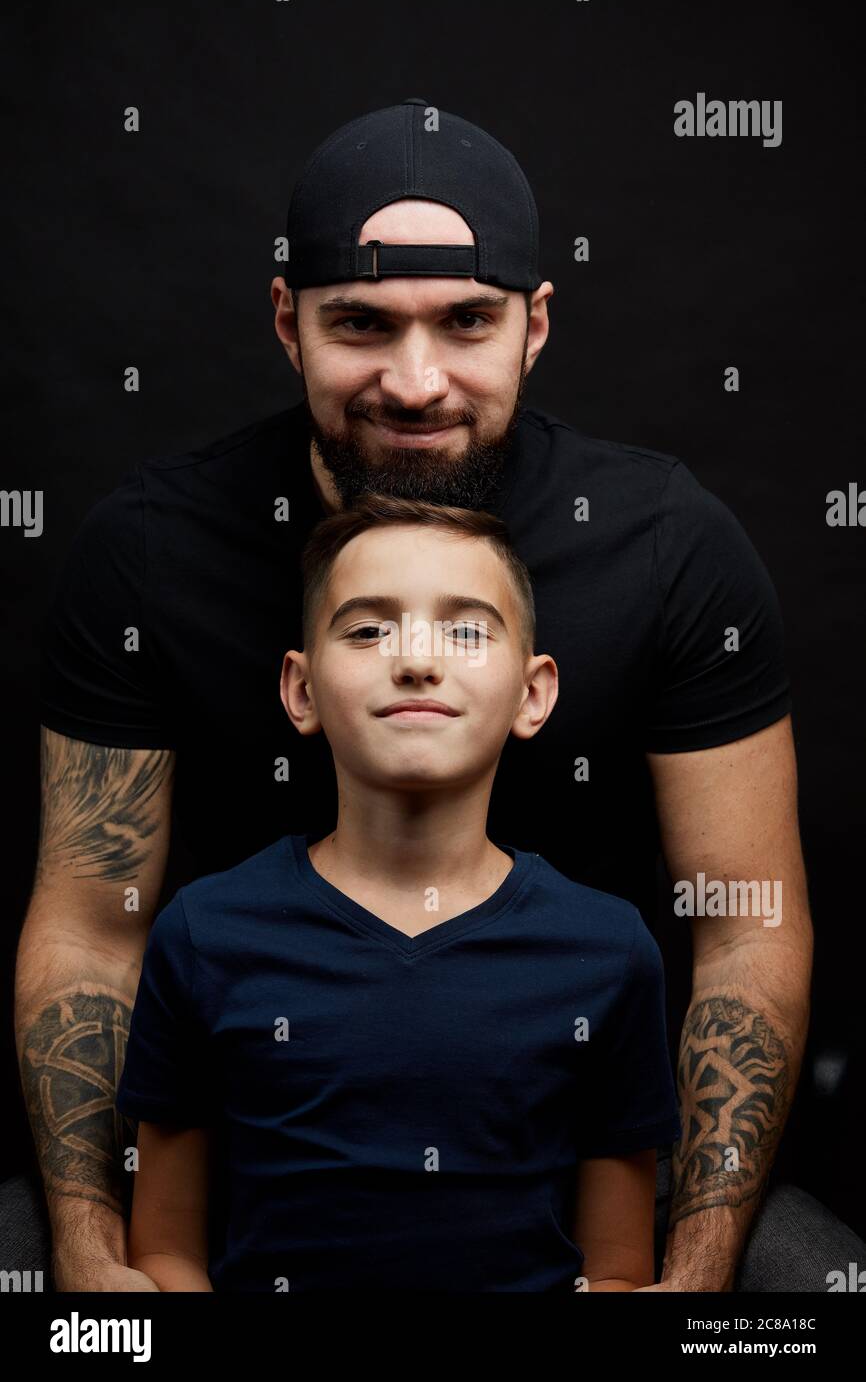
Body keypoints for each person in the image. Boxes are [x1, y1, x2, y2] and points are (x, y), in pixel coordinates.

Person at [12, 98, 858, 1292]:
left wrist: (693, 1267)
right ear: (286, 320)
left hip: (576, 1158)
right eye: (359, 323)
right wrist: (99, 1254)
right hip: (257, 1154)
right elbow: (92, 930)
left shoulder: (669, 546)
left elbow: (746, 925)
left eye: (466, 322)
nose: (414, 385)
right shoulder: (150, 550)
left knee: (809, 1289)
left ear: (533, 324)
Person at [114, 495, 682, 1292]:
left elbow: (617, 1270)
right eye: (370, 629)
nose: (417, 660)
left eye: (467, 629)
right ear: (301, 690)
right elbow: (166, 1252)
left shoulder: (609, 951)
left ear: (533, 693)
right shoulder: (205, 933)